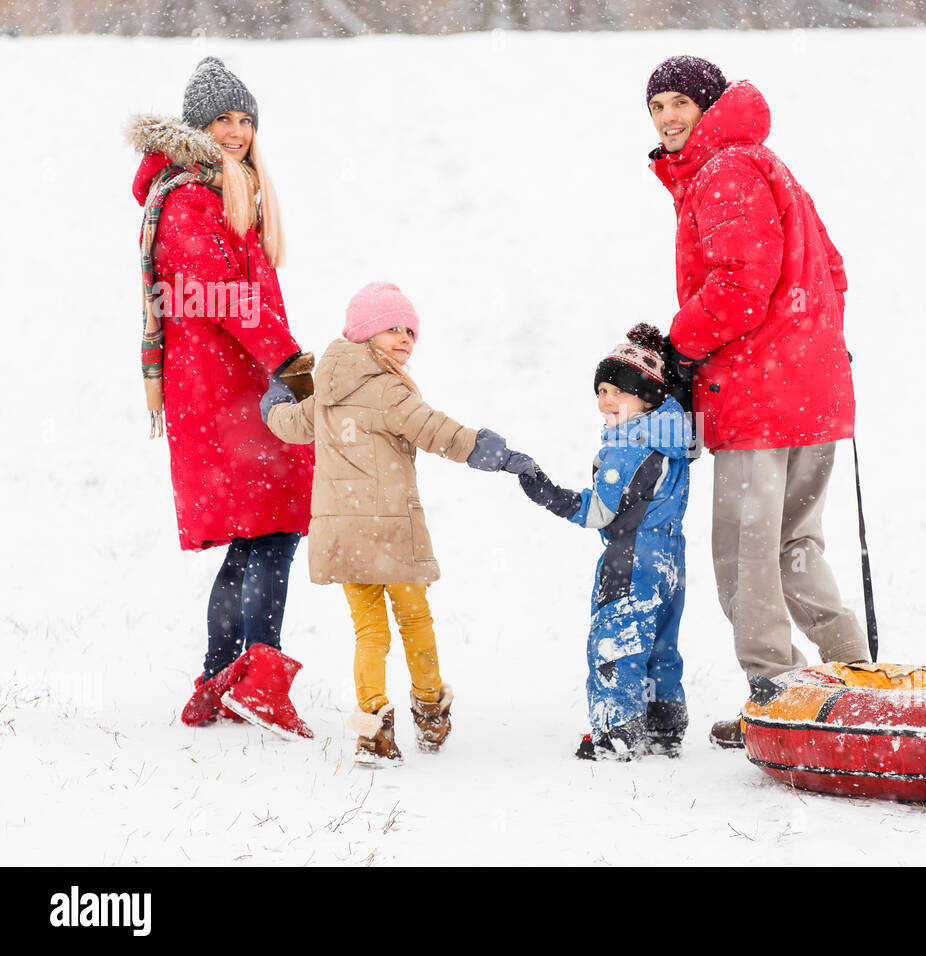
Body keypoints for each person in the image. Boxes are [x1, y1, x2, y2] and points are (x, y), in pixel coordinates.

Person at [644, 56, 872, 749]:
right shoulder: (768, 165)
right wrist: (816, 343)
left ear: (710, 107)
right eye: (657, 107)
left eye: (681, 102)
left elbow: (741, 284)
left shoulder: (725, 172)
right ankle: (855, 676)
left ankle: (777, 693)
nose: (668, 117)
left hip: (760, 396)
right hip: (814, 388)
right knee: (794, 544)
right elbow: (830, 269)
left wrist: (680, 345)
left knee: (748, 554)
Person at [264, 282, 533, 766]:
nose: (406, 337)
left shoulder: (325, 392)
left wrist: (274, 403)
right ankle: (429, 710)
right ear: (366, 334)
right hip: (390, 534)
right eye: (393, 328)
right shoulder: (387, 389)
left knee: (368, 631)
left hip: (343, 536)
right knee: (414, 620)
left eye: (410, 329)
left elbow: (291, 425)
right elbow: (435, 430)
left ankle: (373, 730)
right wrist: (490, 451)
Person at [129, 57, 317, 739]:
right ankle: (257, 681)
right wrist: (289, 359)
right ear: (197, 127)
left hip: (237, 386)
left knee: (256, 536)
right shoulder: (190, 198)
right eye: (223, 120)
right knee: (273, 528)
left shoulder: (225, 191)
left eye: (245, 120)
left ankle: (218, 680)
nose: (236, 132)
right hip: (226, 392)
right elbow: (220, 296)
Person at [517, 325, 692, 760]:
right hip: (669, 555)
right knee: (660, 640)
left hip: (630, 555)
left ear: (646, 397)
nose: (605, 402)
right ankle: (663, 721)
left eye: (617, 391)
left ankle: (617, 732)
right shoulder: (676, 435)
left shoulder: (626, 447)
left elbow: (600, 511)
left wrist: (548, 494)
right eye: (600, 391)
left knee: (617, 639)